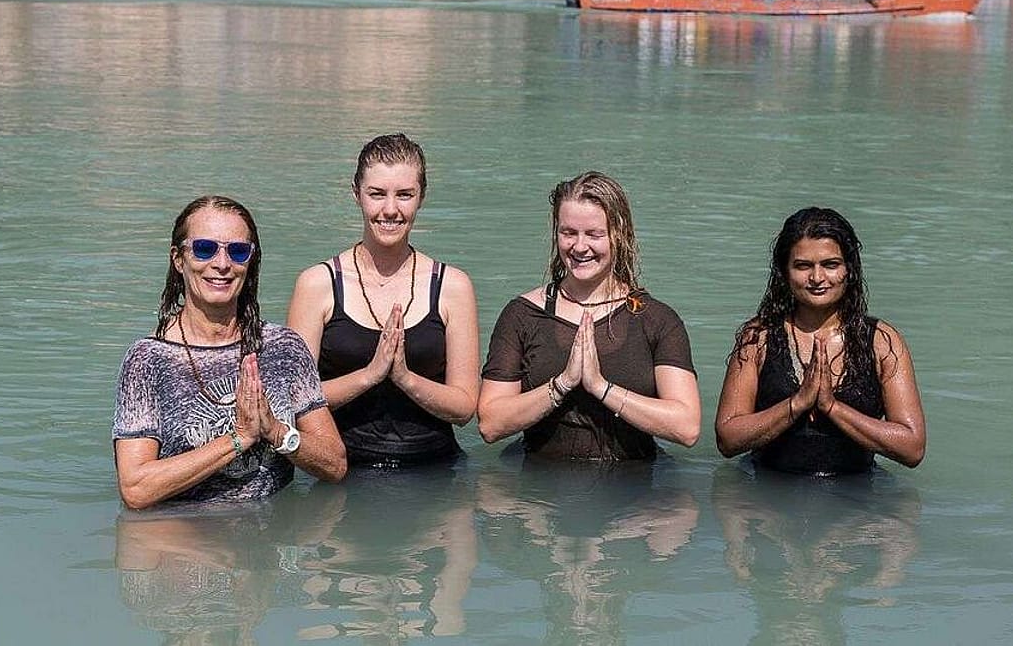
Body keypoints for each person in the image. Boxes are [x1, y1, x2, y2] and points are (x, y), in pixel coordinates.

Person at [113, 196, 346, 509]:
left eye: (237, 251)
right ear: (178, 259)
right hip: (181, 539)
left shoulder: (283, 348)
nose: (222, 264)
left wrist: (276, 431)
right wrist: (238, 439)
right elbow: (136, 489)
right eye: (204, 248)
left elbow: (335, 464)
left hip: (272, 537)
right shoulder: (148, 360)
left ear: (250, 263)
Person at [287, 134, 480, 467]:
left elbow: (464, 407)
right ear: (356, 194)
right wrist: (370, 375)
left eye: (404, 195)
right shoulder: (317, 284)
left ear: (421, 197)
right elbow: (291, 400)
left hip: (437, 470)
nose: (390, 210)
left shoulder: (452, 285)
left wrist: (405, 378)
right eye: (377, 194)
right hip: (343, 470)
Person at [478, 172, 700, 460]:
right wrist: (562, 384)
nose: (579, 247)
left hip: (635, 489)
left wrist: (600, 387)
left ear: (620, 236)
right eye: (568, 233)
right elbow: (491, 424)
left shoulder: (656, 320)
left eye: (594, 234)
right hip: (539, 493)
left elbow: (687, 427)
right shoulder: (522, 315)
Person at [714, 208, 925, 475]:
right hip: (768, 493)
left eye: (830, 265)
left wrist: (832, 407)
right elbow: (728, 438)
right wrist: (797, 404)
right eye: (803, 266)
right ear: (784, 271)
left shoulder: (882, 342)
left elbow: (912, 447)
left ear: (849, 269)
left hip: (858, 497)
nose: (817, 278)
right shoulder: (758, 337)